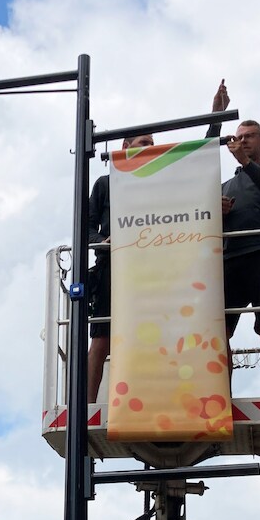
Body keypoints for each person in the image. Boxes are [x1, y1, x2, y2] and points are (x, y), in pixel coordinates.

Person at [208, 80, 260, 396]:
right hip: (229, 259)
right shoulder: (225, 185)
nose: (242, 141)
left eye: (249, 136)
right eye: (238, 137)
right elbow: (201, 158)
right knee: (218, 330)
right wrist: (216, 115)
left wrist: (246, 164)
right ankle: (220, 396)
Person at [86, 134, 155, 403]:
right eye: (143, 143)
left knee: (148, 338)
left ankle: (146, 400)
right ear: (125, 147)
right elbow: (86, 228)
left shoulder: (161, 185)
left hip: (149, 271)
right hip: (111, 268)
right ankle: (89, 406)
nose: (149, 148)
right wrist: (103, 242)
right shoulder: (105, 185)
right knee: (102, 339)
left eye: (152, 144)